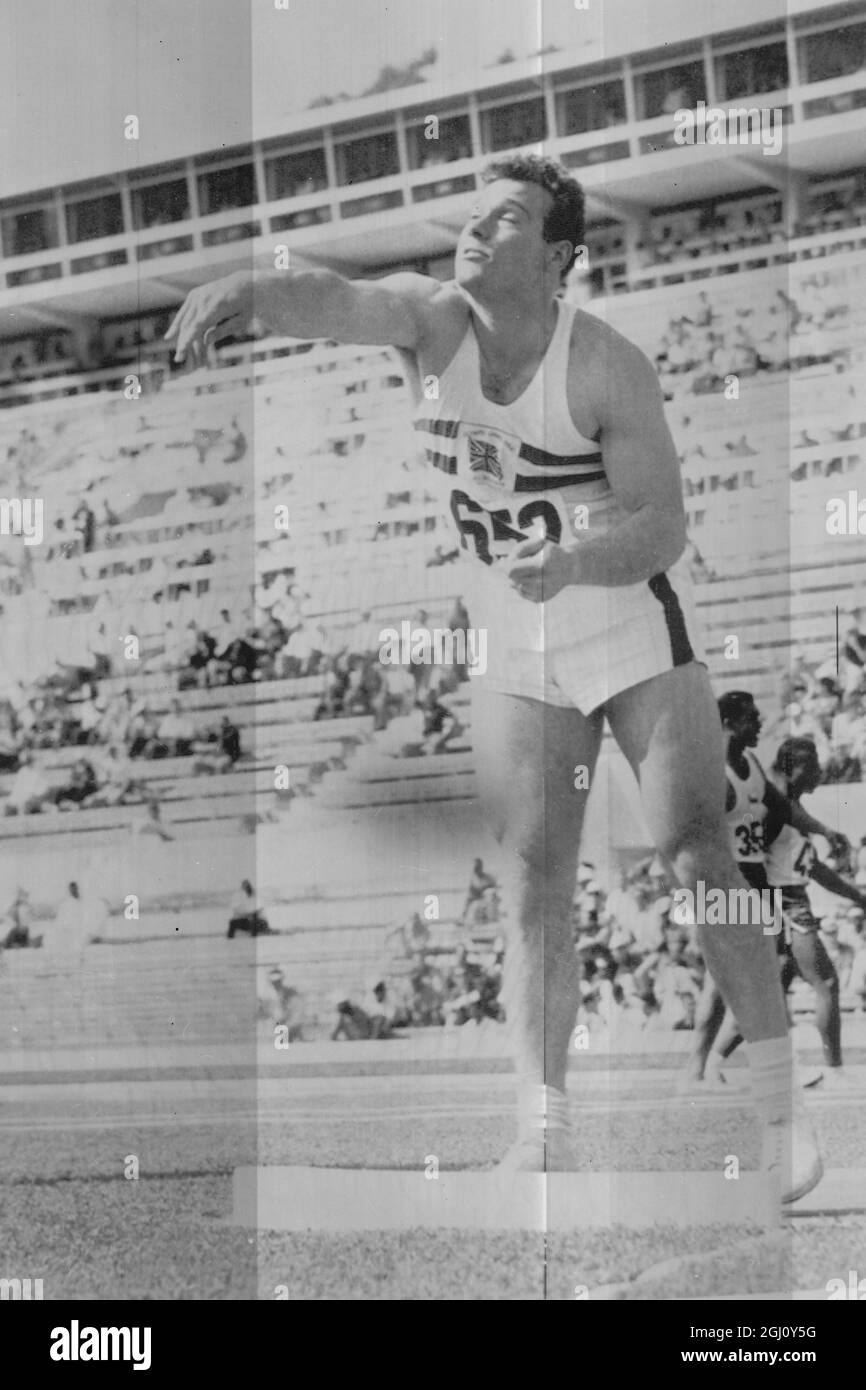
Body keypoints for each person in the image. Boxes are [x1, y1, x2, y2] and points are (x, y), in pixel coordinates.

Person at [166, 153, 841, 1202]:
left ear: (561, 255)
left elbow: (660, 524)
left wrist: (576, 558)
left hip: (620, 609)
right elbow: (341, 300)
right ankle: (543, 1127)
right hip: (513, 633)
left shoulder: (603, 363)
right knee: (532, 881)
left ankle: (777, 1112)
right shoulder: (436, 328)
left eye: (506, 220)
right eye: (471, 217)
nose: (475, 233)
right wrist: (249, 289)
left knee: (697, 850)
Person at [686, 693, 847, 1092]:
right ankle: (778, 1068)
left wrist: (823, 830)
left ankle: (699, 1070)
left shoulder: (751, 765)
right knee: (760, 978)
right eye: (751, 718)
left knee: (726, 982)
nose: (759, 724)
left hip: (757, 882)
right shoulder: (711, 769)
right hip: (728, 880)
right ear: (729, 722)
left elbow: (784, 809)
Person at [706, 738, 866, 1084]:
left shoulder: (784, 808)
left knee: (772, 992)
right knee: (824, 982)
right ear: (796, 768)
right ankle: (833, 1070)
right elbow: (815, 871)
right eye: (814, 766)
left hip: (775, 901)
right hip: (786, 902)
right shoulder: (781, 812)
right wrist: (859, 898)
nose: (820, 772)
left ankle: (714, 1064)